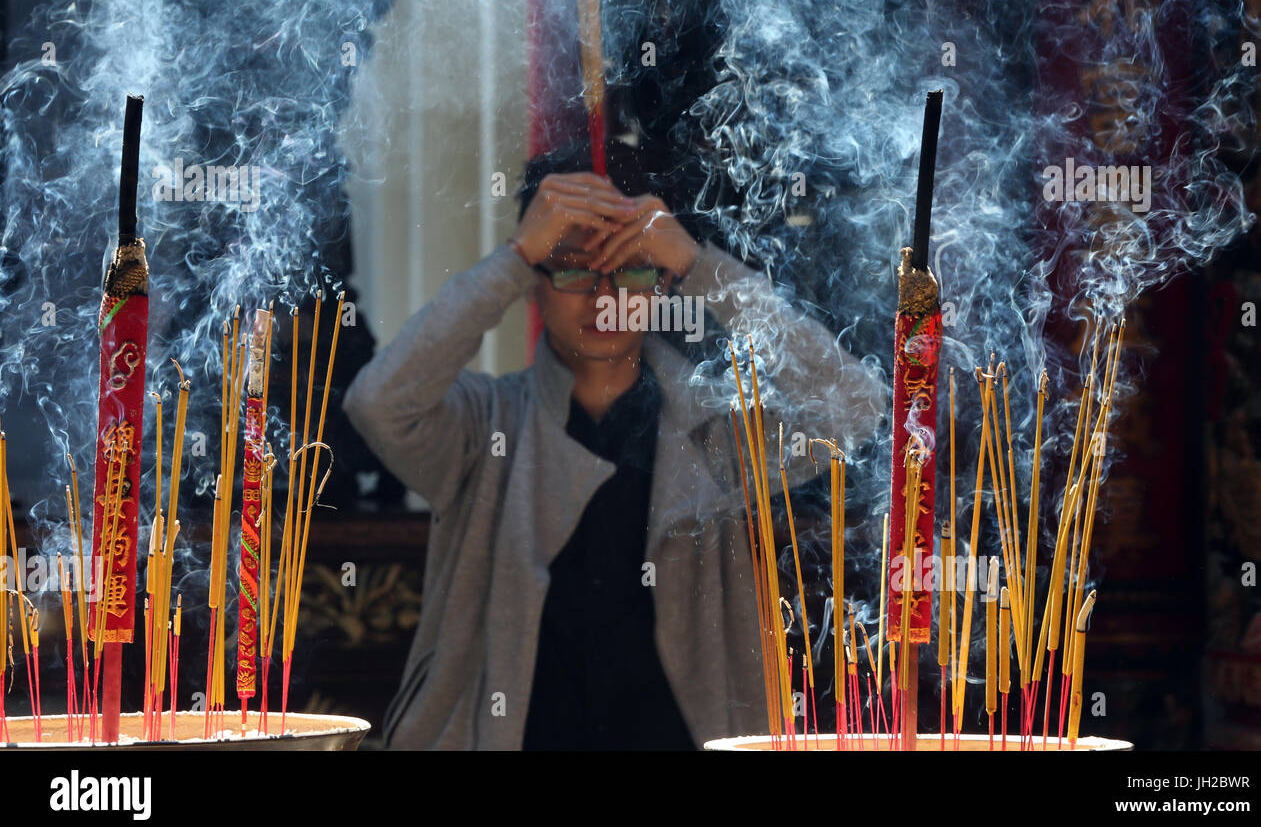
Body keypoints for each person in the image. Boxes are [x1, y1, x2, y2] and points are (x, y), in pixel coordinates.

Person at [342, 157, 886, 750]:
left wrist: (700, 267)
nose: (604, 298)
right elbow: (376, 403)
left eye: (629, 272)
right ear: (534, 290)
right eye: (574, 270)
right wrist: (513, 259)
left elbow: (854, 404)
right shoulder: (485, 428)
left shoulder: (720, 433)